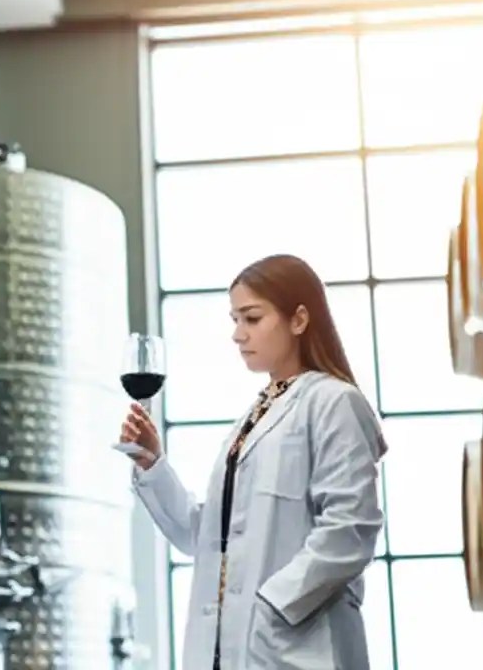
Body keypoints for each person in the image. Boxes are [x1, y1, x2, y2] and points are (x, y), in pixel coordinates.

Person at [120, 254, 387, 670]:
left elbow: (351, 528)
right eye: (234, 320)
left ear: (299, 320)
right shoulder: (253, 419)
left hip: (298, 648)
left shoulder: (334, 402)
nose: (237, 334)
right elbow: (207, 536)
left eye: (252, 318)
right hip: (233, 651)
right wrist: (153, 464)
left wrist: (272, 604)